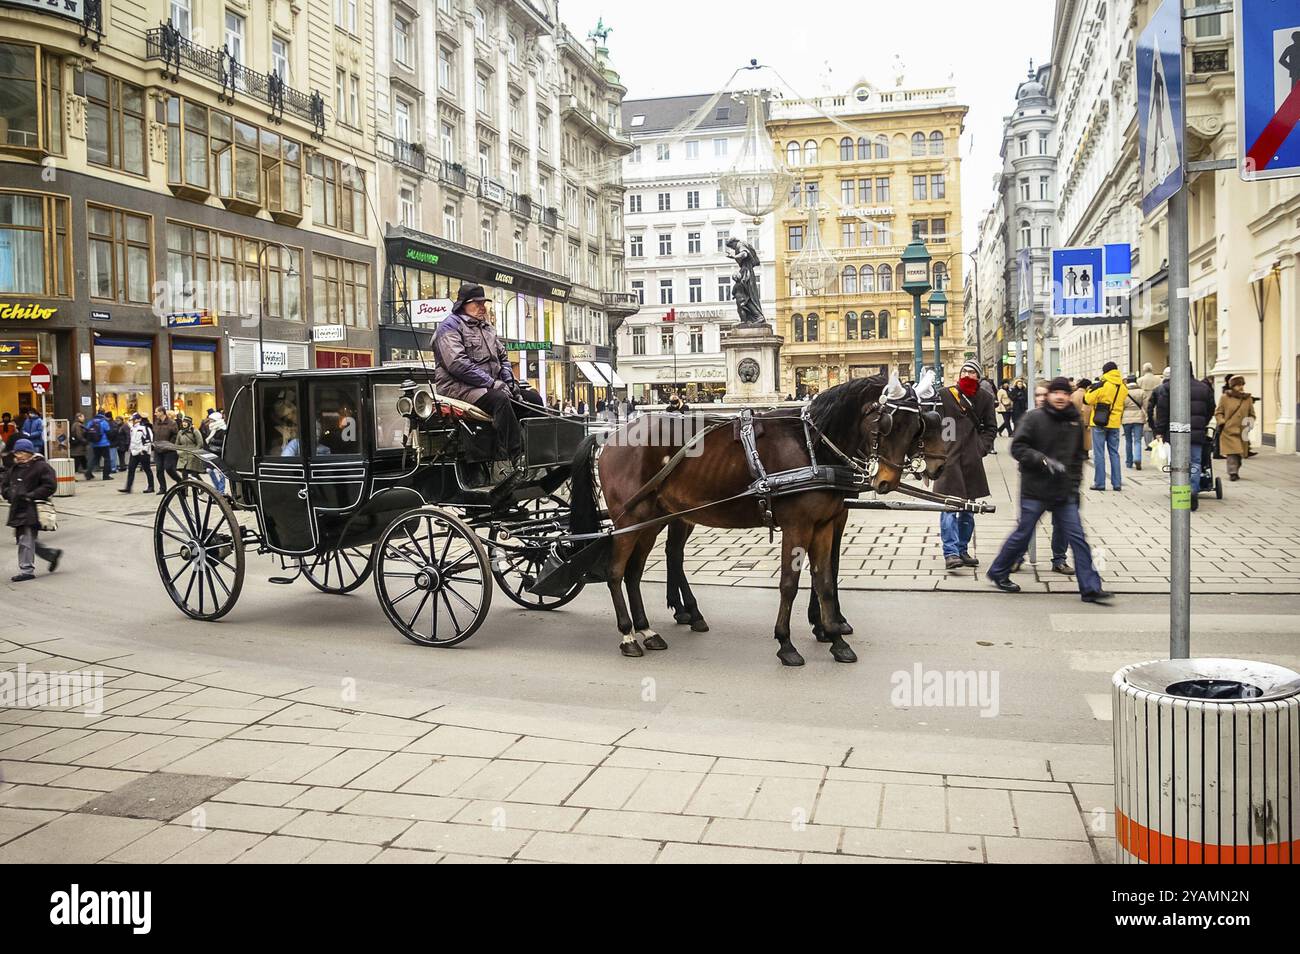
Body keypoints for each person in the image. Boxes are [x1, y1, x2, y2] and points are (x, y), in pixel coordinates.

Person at [987, 378, 1111, 603]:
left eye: (1065, 393)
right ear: (1050, 396)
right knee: (1023, 534)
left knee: (1078, 539)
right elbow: (1017, 448)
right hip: (1035, 489)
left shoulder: (1074, 420)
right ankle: (998, 571)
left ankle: (1090, 587)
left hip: (1064, 493)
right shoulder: (1034, 418)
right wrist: (1042, 460)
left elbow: (1077, 458)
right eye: (1057, 393)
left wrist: (1074, 486)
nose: (1061, 397)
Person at [433, 283, 543, 461]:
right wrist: (492, 383)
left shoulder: (487, 327)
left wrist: (510, 383)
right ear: (463, 304)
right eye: (477, 303)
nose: (482, 307)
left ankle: (539, 452)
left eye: (484, 303)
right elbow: (457, 364)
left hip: (489, 387)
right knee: (500, 400)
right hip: (458, 388)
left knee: (533, 400)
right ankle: (516, 456)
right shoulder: (449, 327)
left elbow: (503, 357)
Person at [936, 361, 997, 571]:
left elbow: (990, 427)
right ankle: (951, 553)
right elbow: (939, 421)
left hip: (972, 462)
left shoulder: (985, 398)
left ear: (978, 377)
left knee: (968, 511)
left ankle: (962, 549)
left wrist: (980, 448)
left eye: (972, 372)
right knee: (949, 508)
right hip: (950, 460)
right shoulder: (945, 394)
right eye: (965, 371)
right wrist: (945, 446)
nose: (968, 374)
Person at [1011, 381, 1073, 576]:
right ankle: (1017, 556)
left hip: (1060, 481)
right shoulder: (1031, 418)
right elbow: (1018, 448)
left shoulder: (1065, 419)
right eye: (1037, 395)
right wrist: (1038, 459)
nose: (1040, 399)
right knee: (1027, 522)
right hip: (1033, 479)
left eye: (1043, 395)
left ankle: (1059, 559)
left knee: (1062, 522)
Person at [1154, 365, 1214, 509]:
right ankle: (1193, 489)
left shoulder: (1169, 388)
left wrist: (1160, 430)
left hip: (1175, 432)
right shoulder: (1204, 388)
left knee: (1177, 462)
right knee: (1195, 462)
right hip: (1196, 431)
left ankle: (1180, 490)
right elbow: (1211, 408)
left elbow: (1162, 411)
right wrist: (1201, 423)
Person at [2, 438, 61, 582]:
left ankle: (26, 570)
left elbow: (50, 485)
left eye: (22, 452)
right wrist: (9, 493)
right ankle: (51, 555)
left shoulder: (41, 467)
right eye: (17, 453)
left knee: (25, 538)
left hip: (33, 508)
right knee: (25, 539)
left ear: (29, 452)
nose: (18, 456)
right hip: (17, 508)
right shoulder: (14, 469)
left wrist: (32, 495)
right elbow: (5, 486)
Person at [1084, 361, 1128, 491]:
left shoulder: (1102, 385)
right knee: (1114, 453)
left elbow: (1087, 400)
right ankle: (1117, 483)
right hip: (1114, 423)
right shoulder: (1123, 387)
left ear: (1105, 371)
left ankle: (1100, 483)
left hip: (1099, 423)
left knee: (1099, 453)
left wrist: (1090, 390)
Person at [1214, 375, 1255, 482]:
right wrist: (1222, 421)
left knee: (1239, 453)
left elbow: (1252, 414)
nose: (1240, 387)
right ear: (1232, 386)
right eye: (1237, 385)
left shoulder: (1247, 398)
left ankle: (1236, 468)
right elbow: (1218, 412)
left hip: (1243, 431)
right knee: (1232, 452)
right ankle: (1232, 472)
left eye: (1241, 384)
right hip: (1229, 430)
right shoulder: (1225, 397)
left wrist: (1249, 423)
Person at [1120, 372, 1146, 471]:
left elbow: (1120, 406)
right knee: (1137, 440)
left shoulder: (1124, 392)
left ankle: (1129, 462)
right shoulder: (1141, 391)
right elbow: (1146, 405)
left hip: (1126, 418)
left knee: (1128, 440)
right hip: (1138, 417)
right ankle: (1138, 458)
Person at [152, 408, 180, 494]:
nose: (155, 413)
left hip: (169, 450)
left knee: (169, 468)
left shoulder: (172, 423)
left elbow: (176, 435)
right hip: (158, 450)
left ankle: (180, 481)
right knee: (159, 470)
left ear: (161, 412)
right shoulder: (156, 423)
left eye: (156, 412)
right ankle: (162, 488)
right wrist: (154, 444)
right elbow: (154, 434)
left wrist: (169, 444)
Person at [176, 414, 205, 483]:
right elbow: (177, 444)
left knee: (194, 474)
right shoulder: (180, 432)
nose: (184, 423)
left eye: (186, 422)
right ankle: (185, 490)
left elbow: (200, 443)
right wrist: (179, 452)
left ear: (189, 423)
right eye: (183, 422)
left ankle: (201, 484)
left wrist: (194, 452)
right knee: (184, 473)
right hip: (183, 456)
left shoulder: (195, 431)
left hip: (193, 456)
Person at [205, 411, 228, 493]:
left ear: (216, 420)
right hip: (212, 452)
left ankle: (221, 491)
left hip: (220, 453)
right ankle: (218, 488)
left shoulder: (223, 429)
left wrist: (212, 441)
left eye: (211, 420)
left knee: (221, 473)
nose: (210, 422)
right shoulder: (212, 428)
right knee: (209, 470)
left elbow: (224, 442)